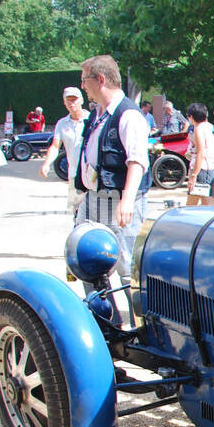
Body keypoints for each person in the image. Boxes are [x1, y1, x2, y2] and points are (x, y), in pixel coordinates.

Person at [73, 54, 150, 283]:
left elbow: (137, 161)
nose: (83, 86)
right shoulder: (98, 113)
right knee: (84, 259)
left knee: (127, 267)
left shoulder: (128, 115)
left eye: (85, 79)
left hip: (119, 200)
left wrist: (126, 201)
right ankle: (104, 317)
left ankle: (137, 319)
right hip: (95, 198)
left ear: (100, 80)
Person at [39, 86, 90, 217]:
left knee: (96, 212)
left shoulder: (91, 119)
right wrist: (46, 163)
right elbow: (55, 146)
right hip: (74, 175)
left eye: (75, 99)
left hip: (92, 174)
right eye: (69, 100)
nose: (72, 103)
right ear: (64, 102)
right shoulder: (62, 123)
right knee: (77, 214)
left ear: (81, 100)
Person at [184, 102, 214, 206]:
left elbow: (200, 152)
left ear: (191, 117)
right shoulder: (209, 127)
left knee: (191, 206)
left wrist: (193, 175)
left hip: (201, 170)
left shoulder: (199, 129)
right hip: (210, 169)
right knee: (206, 204)